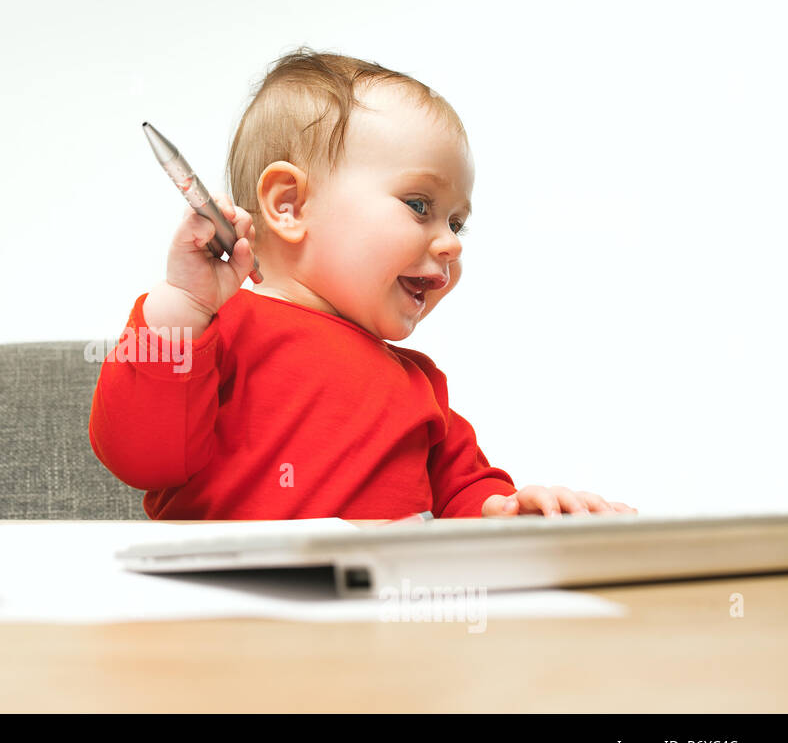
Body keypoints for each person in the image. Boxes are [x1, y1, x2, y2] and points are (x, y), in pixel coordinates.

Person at [89, 48, 636, 520]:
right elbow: (140, 457)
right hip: (226, 625)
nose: (451, 243)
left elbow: (468, 498)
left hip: (371, 630)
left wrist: (509, 512)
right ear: (289, 204)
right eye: (420, 206)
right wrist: (181, 309)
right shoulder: (215, 331)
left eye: (456, 221)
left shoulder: (421, 386)